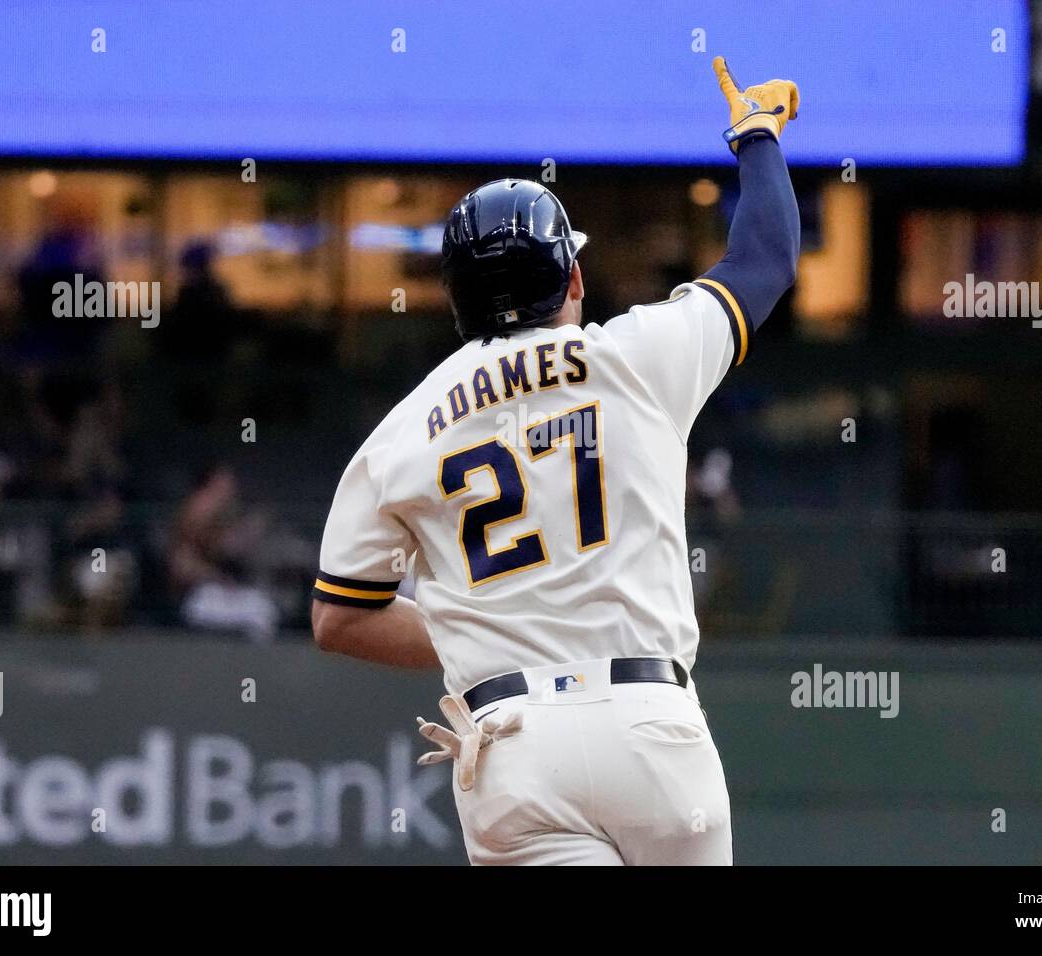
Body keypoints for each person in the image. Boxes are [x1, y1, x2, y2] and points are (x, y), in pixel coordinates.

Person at [311, 58, 800, 865]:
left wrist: (493, 627)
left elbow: (338, 617)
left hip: (515, 745)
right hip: (652, 726)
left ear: (455, 300)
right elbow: (766, 259)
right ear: (573, 278)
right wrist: (756, 137)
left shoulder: (401, 433)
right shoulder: (640, 355)